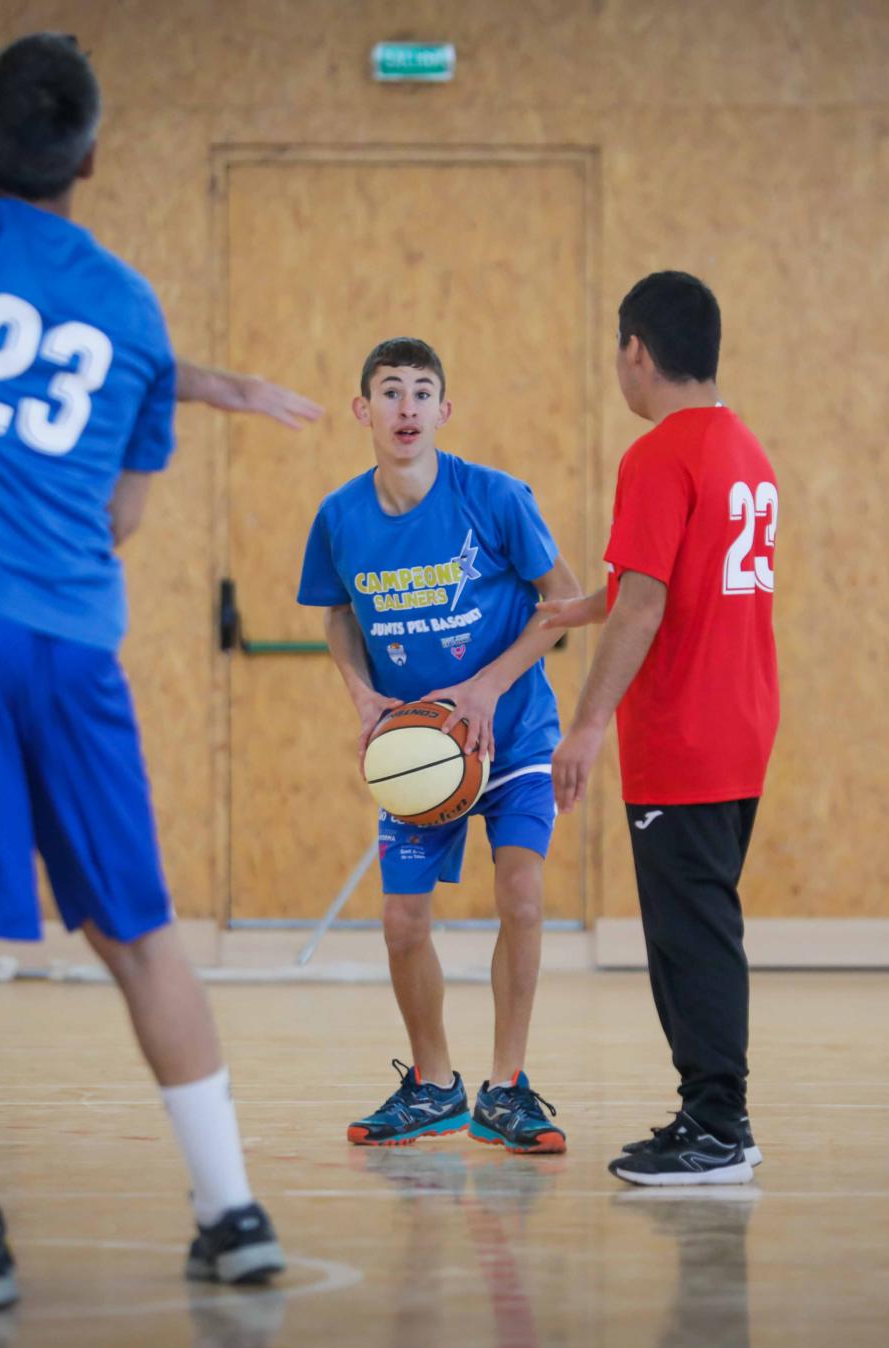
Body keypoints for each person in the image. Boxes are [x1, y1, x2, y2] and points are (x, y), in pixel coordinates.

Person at [0, 1, 314, 1308]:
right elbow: (126, 517)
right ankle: (233, 1209)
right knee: (139, 930)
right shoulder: (134, 310)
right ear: (90, 161)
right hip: (77, 641)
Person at [298, 337, 580, 1155]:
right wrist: (362, 695)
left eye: (423, 392)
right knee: (399, 922)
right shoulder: (339, 516)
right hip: (418, 747)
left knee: (521, 896)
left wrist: (489, 685)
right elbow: (339, 615)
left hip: (512, 729)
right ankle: (432, 1085)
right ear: (363, 410)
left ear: (445, 412)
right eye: (390, 391)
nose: (407, 407)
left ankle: (508, 1087)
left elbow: (560, 601)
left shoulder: (494, 497)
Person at [544, 271, 778, 1186]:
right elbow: (657, 584)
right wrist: (575, 608)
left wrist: (587, 724)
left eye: (617, 351)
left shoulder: (657, 455)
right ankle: (713, 1115)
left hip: (683, 733)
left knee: (692, 937)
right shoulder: (742, 447)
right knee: (700, 925)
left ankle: (718, 1123)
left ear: (636, 351)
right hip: (742, 723)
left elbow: (646, 603)